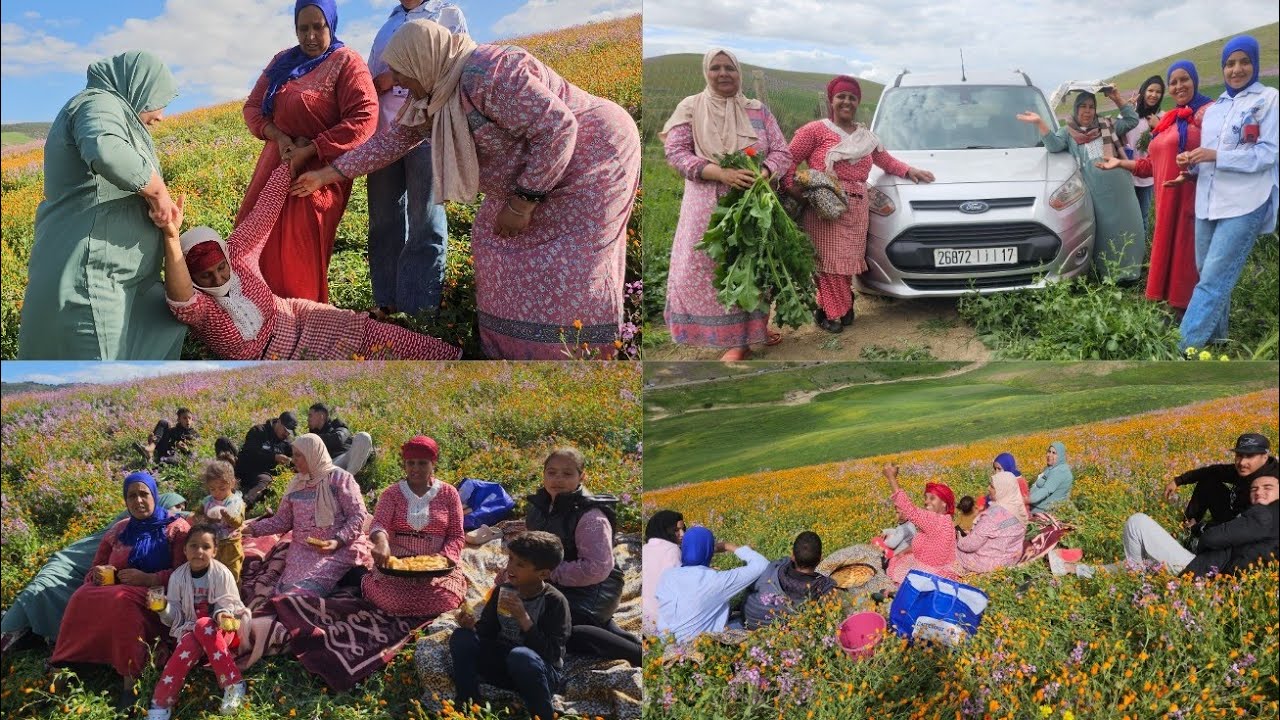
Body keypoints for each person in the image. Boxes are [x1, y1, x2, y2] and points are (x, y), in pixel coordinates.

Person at [293, 19, 641, 360]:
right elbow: (390, 144)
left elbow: (559, 127)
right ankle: (510, 353)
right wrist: (327, 175)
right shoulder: (431, 96)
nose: (396, 81)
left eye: (400, 72)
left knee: (568, 265)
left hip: (593, 161)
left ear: (423, 58)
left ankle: (581, 357)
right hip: (535, 174)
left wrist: (522, 204)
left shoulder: (489, 73)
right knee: (492, 241)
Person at [161, 165, 461, 360]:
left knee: (375, 335)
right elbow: (181, 300)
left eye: (219, 268)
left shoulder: (238, 255)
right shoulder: (202, 307)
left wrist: (288, 164)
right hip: (273, 361)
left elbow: (265, 210)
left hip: (298, 318)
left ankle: (453, 361)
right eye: (205, 276)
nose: (216, 279)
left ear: (226, 257)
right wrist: (171, 237)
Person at [18, 50, 186, 360]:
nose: (161, 115)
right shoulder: (98, 103)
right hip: (93, 281)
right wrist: (158, 191)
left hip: (115, 281)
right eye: (157, 99)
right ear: (138, 84)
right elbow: (106, 151)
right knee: (100, 366)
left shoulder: (112, 110)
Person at [661, 48, 793, 361]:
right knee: (707, 267)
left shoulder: (757, 110)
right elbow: (676, 154)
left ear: (739, 73)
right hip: (707, 206)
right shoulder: (691, 107)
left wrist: (762, 174)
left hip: (754, 206)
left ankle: (744, 338)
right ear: (706, 72)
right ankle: (728, 334)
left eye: (730, 68)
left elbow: (782, 153)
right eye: (716, 68)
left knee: (752, 268)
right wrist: (721, 173)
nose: (723, 74)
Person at [240, 0, 377, 302]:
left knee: (297, 253)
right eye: (303, 28)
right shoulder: (283, 61)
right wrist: (278, 136)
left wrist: (314, 147)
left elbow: (365, 117)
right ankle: (258, 320)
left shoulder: (346, 62)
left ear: (332, 24)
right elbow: (252, 107)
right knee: (255, 239)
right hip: (277, 161)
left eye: (319, 27)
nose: (310, 36)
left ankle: (299, 325)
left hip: (318, 173)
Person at [783, 75, 935, 333]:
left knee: (846, 262)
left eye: (852, 97)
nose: (846, 101)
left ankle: (839, 304)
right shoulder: (814, 131)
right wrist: (794, 190)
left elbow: (886, 162)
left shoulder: (867, 137)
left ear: (857, 102)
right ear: (832, 100)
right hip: (824, 207)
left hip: (856, 209)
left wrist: (910, 171)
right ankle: (833, 312)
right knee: (828, 263)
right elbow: (788, 160)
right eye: (841, 96)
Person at [50, 472, 191, 709]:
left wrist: (148, 577)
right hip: (115, 588)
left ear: (154, 495)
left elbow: (184, 573)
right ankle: (67, 660)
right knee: (81, 596)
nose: (138, 501)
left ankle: (130, 680)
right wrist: (100, 574)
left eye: (143, 494)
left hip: (156, 595)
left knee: (122, 601)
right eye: (131, 496)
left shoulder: (175, 528)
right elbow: (93, 569)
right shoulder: (120, 530)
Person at [1175, 35, 1279, 352]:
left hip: (1246, 201)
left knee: (1212, 281)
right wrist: (1190, 165)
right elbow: (1210, 157)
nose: (1236, 69)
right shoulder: (1217, 108)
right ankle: (1217, 343)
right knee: (1209, 276)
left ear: (1255, 63)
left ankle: (1180, 351)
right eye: (1230, 63)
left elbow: (1268, 154)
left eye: (1244, 61)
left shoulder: (1269, 99)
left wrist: (1215, 156)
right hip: (1208, 202)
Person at [365, 1, 467, 318]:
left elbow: (451, 68)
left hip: (424, 129)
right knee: (384, 220)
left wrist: (392, 80)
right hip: (384, 133)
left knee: (426, 219)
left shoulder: (449, 13)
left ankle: (420, 307)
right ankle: (388, 300)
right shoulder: (390, 20)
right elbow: (370, 76)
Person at [0, 493, 185, 654]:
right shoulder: (125, 521)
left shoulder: (171, 526)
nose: (181, 509)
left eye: (184, 507)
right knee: (42, 587)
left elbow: (186, 522)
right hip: (74, 563)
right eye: (177, 505)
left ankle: (42, 636)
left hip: (115, 583)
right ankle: (14, 632)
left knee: (110, 600)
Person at [1097, 62, 1211, 316]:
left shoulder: (1208, 114)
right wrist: (1120, 162)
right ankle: (1171, 305)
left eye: (1184, 80)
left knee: (1186, 253)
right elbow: (1151, 164)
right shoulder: (1170, 120)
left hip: (1191, 200)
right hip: (1167, 198)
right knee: (1167, 247)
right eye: (1174, 82)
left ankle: (1190, 314)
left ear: (1195, 81)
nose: (1178, 86)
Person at [524, 447, 639, 665]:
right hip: (556, 582)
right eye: (551, 472)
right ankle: (610, 631)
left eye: (567, 474)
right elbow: (532, 547)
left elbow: (596, 568)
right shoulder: (539, 507)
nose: (558, 479)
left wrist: (546, 573)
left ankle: (638, 656)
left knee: (559, 630)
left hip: (594, 590)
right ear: (544, 474)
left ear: (581, 477)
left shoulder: (591, 516)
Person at [1017, 87, 1145, 281]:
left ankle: (1131, 273)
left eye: (1091, 106)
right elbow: (1053, 145)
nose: (1087, 111)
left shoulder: (1107, 124)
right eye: (1083, 106)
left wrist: (1118, 98)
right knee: (1103, 234)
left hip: (1120, 190)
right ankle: (1107, 275)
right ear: (1076, 109)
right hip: (1095, 194)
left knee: (1128, 228)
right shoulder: (1067, 132)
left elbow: (1132, 121)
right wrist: (1039, 123)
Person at [1054, 474, 1278, 578]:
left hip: (1201, 571)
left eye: (1267, 487)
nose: (1259, 492)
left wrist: (1200, 531)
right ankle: (1075, 570)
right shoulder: (1267, 521)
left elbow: (1211, 539)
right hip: (1211, 571)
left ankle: (1136, 576)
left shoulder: (1264, 515)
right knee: (1142, 560)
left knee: (1137, 523)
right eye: (1255, 488)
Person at [450, 531, 571, 720]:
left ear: (544, 574)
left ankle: (542, 715)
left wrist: (524, 618)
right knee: (461, 637)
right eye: (511, 559)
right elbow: (487, 632)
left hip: (537, 671)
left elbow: (552, 653)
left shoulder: (554, 601)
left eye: (520, 564)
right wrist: (471, 627)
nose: (510, 567)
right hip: (503, 663)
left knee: (520, 656)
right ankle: (468, 703)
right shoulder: (503, 590)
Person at [242, 434, 372, 597]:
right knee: (286, 592)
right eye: (293, 454)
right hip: (303, 549)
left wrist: (337, 542)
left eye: (298, 455)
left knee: (306, 591)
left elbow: (357, 515)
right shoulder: (297, 483)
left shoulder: (340, 479)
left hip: (337, 548)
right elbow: (282, 521)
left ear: (313, 454)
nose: (293, 459)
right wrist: (249, 529)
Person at [145, 525, 250, 720]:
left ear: (215, 551)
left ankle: (233, 683)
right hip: (191, 633)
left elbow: (230, 604)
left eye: (206, 546)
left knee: (203, 624)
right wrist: (163, 608)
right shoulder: (178, 577)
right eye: (193, 546)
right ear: (185, 550)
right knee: (190, 639)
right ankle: (161, 703)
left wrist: (221, 615)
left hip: (220, 633)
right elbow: (174, 618)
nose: (199, 551)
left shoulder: (221, 573)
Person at [363, 435, 467, 616]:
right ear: (404, 464)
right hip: (397, 566)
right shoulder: (392, 494)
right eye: (410, 463)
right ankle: (369, 584)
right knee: (391, 601)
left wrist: (444, 559)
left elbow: (456, 534)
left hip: (436, 566)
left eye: (422, 463)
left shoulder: (449, 493)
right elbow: (379, 523)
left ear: (433, 463)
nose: (416, 469)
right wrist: (381, 542)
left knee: (447, 599)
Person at [655, 526, 769, 643]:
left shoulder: (668, 575)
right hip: (697, 646)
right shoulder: (716, 580)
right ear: (710, 551)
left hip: (663, 643)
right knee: (749, 622)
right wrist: (727, 546)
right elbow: (761, 564)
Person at [1163, 433, 1277, 533]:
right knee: (1207, 481)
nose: (1242, 462)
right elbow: (1213, 471)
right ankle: (1186, 526)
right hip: (1234, 514)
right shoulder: (1249, 468)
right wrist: (1178, 481)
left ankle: (1191, 531)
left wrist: (1200, 528)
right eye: (1239, 455)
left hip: (1248, 531)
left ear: (1264, 457)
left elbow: (1245, 525)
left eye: (1250, 456)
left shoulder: (1270, 487)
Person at [742, 531, 838, 629]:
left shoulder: (774, 567)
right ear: (821, 559)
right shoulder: (824, 587)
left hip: (747, 617)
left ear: (792, 556)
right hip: (777, 632)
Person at [881, 463, 957, 584]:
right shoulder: (945, 520)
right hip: (938, 572)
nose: (926, 502)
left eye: (932, 498)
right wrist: (907, 550)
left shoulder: (935, 520)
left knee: (892, 569)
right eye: (925, 498)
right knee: (897, 559)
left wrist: (891, 478)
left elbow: (909, 510)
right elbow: (931, 546)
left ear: (944, 503)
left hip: (928, 576)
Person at [953, 472, 1026, 576]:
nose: (988, 488)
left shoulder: (993, 515)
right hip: (1009, 560)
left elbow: (969, 545)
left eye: (992, 486)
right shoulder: (1018, 510)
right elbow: (1000, 530)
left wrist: (960, 538)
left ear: (1002, 490)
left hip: (985, 564)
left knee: (949, 546)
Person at [219, 411, 297, 507]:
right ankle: (224, 483)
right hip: (243, 467)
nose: (286, 434)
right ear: (279, 422)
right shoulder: (258, 431)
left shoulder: (286, 443)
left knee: (266, 481)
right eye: (285, 430)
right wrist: (274, 457)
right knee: (223, 442)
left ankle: (241, 506)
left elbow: (294, 462)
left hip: (260, 475)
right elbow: (250, 452)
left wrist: (290, 462)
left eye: (289, 433)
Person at [190, 460, 246, 582]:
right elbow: (198, 513)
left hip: (231, 546)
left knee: (232, 574)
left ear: (232, 483)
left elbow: (238, 522)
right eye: (212, 489)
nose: (217, 493)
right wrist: (198, 517)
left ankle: (234, 597)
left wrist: (227, 516)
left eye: (222, 488)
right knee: (213, 573)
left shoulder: (236, 502)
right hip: (212, 544)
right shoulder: (208, 501)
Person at [1126, 75, 1165, 236]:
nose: (1154, 95)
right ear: (1143, 92)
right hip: (1127, 173)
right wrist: (1126, 109)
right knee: (1127, 215)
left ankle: (1141, 253)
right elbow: (1118, 136)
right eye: (1150, 90)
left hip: (1147, 177)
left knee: (1142, 215)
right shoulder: (1130, 116)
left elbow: (1166, 145)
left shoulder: (1163, 117)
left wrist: (1159, 126)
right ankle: (1127, 249)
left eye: (1158, 92)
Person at [641, 510, 685, 633]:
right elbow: (680, 588)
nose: (682, 534)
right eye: (676, 530)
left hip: (645, 620)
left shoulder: (644, 549)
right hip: (666, 624)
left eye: (682, 529)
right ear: (665, 530)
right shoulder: (672, 549)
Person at [308, 402, 375, 476]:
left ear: (321, 416)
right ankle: (344, 480)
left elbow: (338, 439)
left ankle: (348, 478)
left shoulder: (337, 425)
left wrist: (313, 440)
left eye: (310, 416)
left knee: (364, 436)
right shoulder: (311, 436)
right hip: (331, 466)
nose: (308, 419)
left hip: (347, 458)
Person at [135, 408, 199, 466]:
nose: (188, 420)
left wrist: (186, 449)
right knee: (163, 422)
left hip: (178, 456)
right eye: (184, 418)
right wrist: (151, 440)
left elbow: (195, 453)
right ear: (179, 420)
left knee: (172, 460)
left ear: (192, 420)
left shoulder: (195, 434)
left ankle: (152, 459)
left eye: (189, 418)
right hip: (165, 451)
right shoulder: (173, 430)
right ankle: (151, 448)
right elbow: (164, 441)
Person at [1029, 441, 1075, 514]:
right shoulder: (1051, 469)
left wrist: (1027, 500)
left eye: (1054, 453)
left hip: (1042, 511)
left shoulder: (1060, 471)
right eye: (1049, 452)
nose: (1049, 455)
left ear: (1061, 456)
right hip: (1034, 507)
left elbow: (1046, 490)